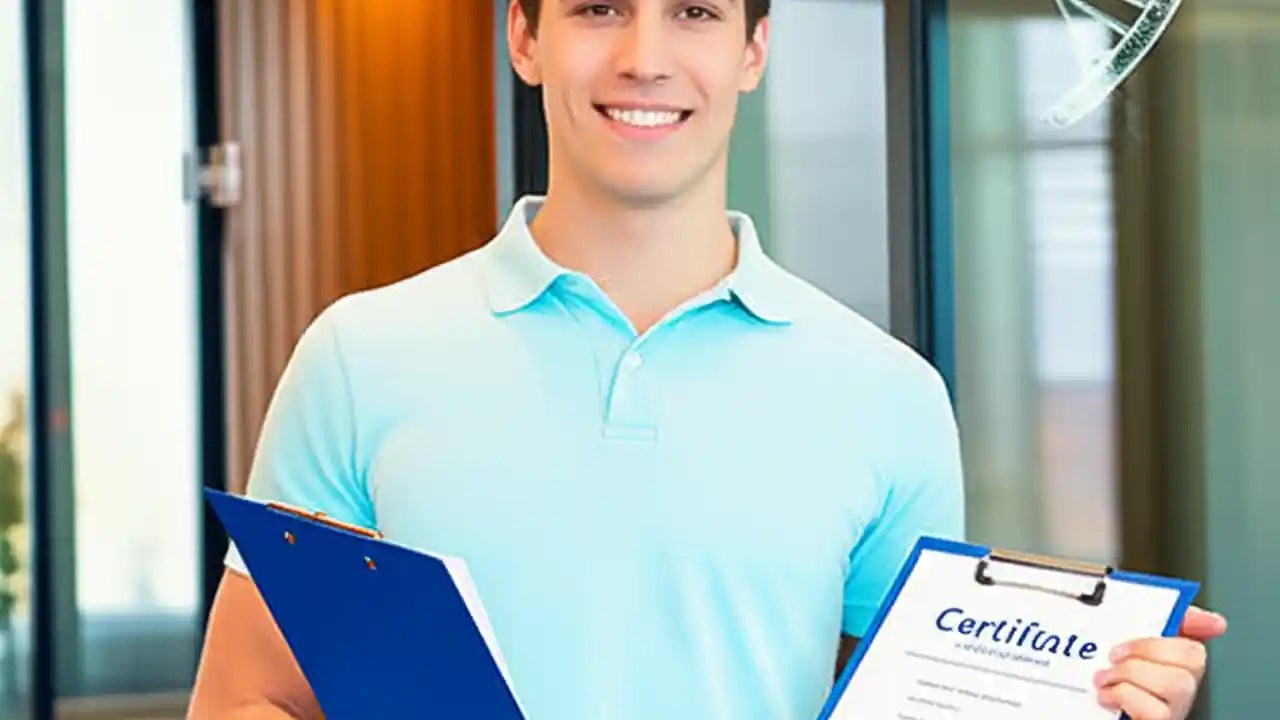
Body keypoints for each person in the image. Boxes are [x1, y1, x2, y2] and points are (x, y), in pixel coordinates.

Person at [187, 1, 1227, 718]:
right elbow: (246, 698)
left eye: (693, 12)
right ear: (524, 37)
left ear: (753, 50)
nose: (645, 56)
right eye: (599, 9)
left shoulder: (889, 395)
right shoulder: (359, 356)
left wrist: (1089, 693)